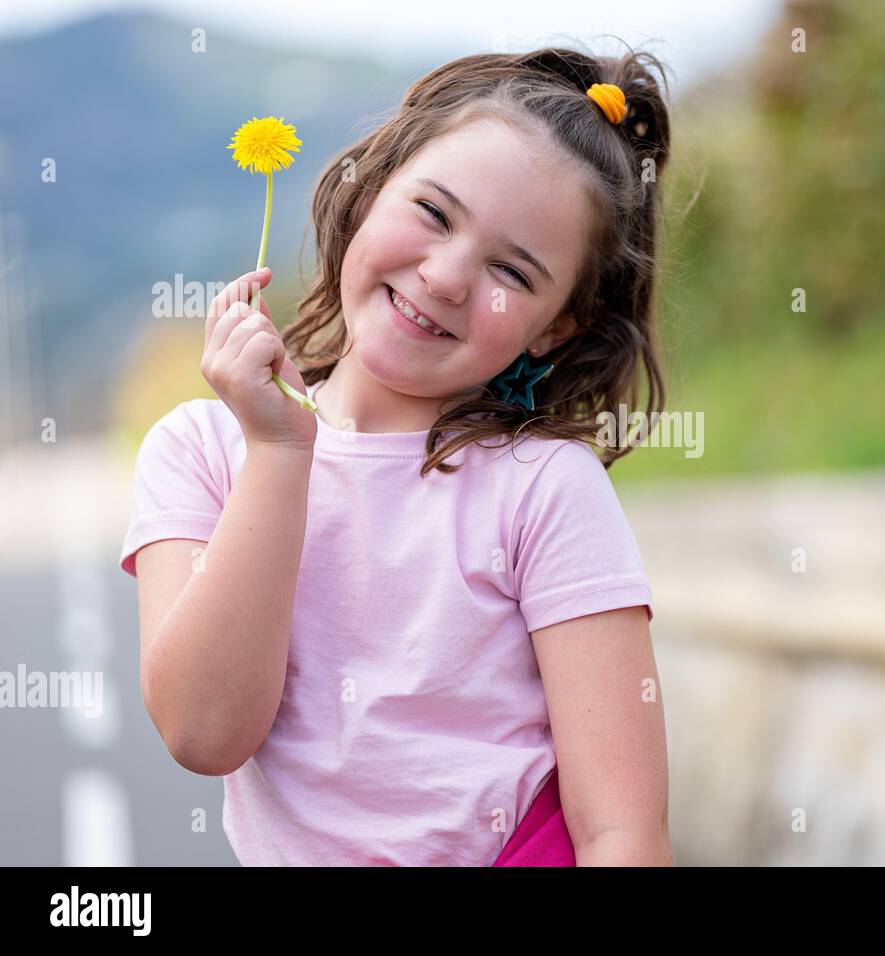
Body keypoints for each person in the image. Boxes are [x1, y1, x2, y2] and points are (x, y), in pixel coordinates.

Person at [119, 46, 676, 866]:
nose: (448, 277)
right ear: (369, 186)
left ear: (556, 327)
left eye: (512, 272)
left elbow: (621, 831)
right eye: (435, 213)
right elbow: (204, 732)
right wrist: (277, 452)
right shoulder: (202, 451)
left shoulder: (545, 490)